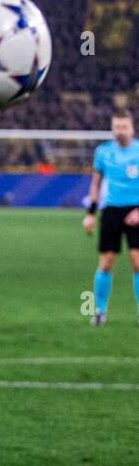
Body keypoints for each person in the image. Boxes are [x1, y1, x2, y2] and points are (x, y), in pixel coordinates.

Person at [83, 111, 139, 326]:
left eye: (124, 127)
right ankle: (99, 310)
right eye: (116, 127)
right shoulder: (103, 152)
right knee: (106, 262)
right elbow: (96, 183)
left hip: (136, 209)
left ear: (132, 128)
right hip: (112, 210)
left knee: (137, 261)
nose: (120, 131)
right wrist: (90, 213)